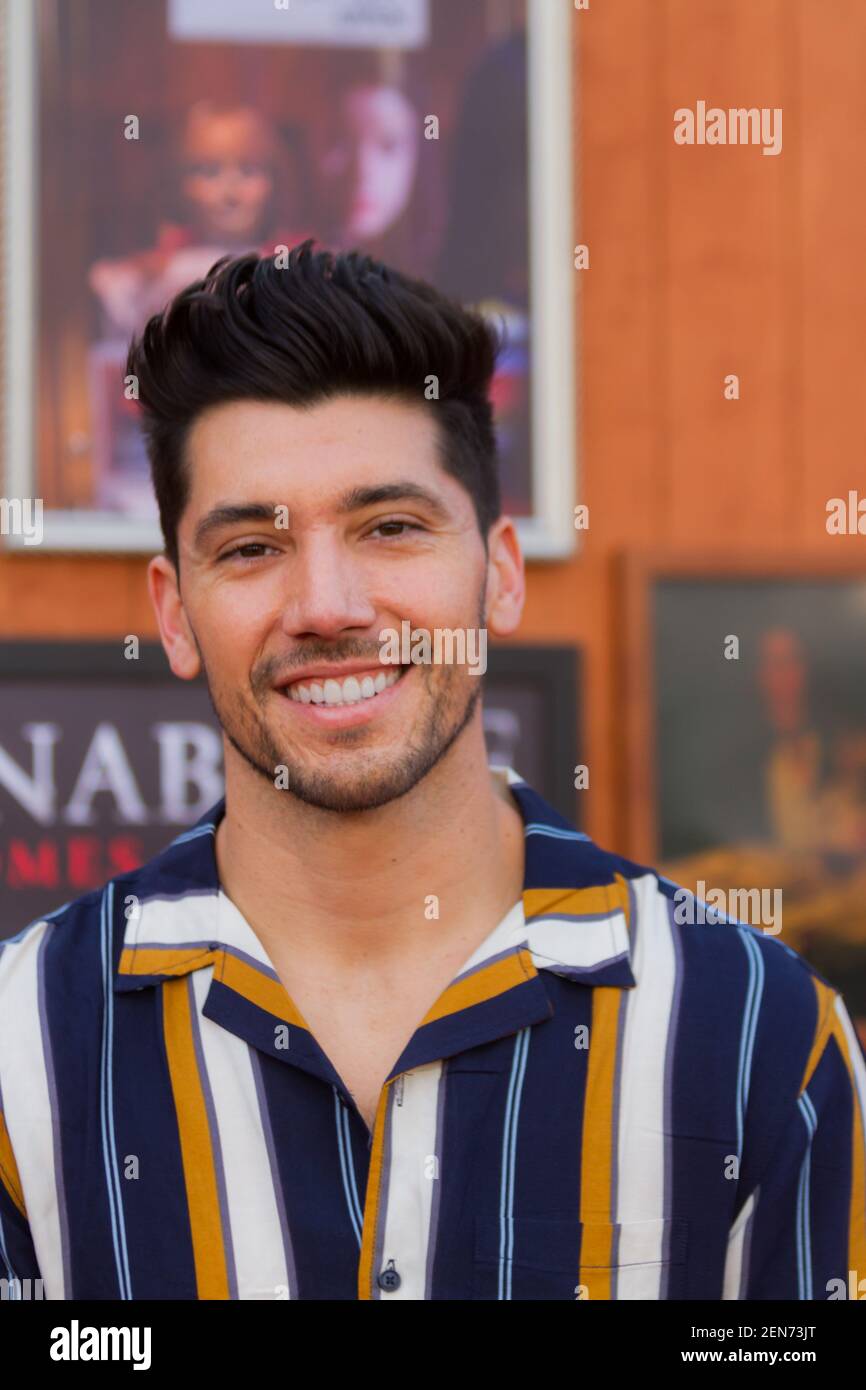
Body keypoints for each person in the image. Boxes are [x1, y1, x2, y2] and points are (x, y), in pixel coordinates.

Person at [1, 242, 864, 1301]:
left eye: (392, 527)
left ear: (498, 574)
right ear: (174, 613)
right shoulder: (18, 1050)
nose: (327, 604)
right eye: (249, 548)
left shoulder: (756, 1035)